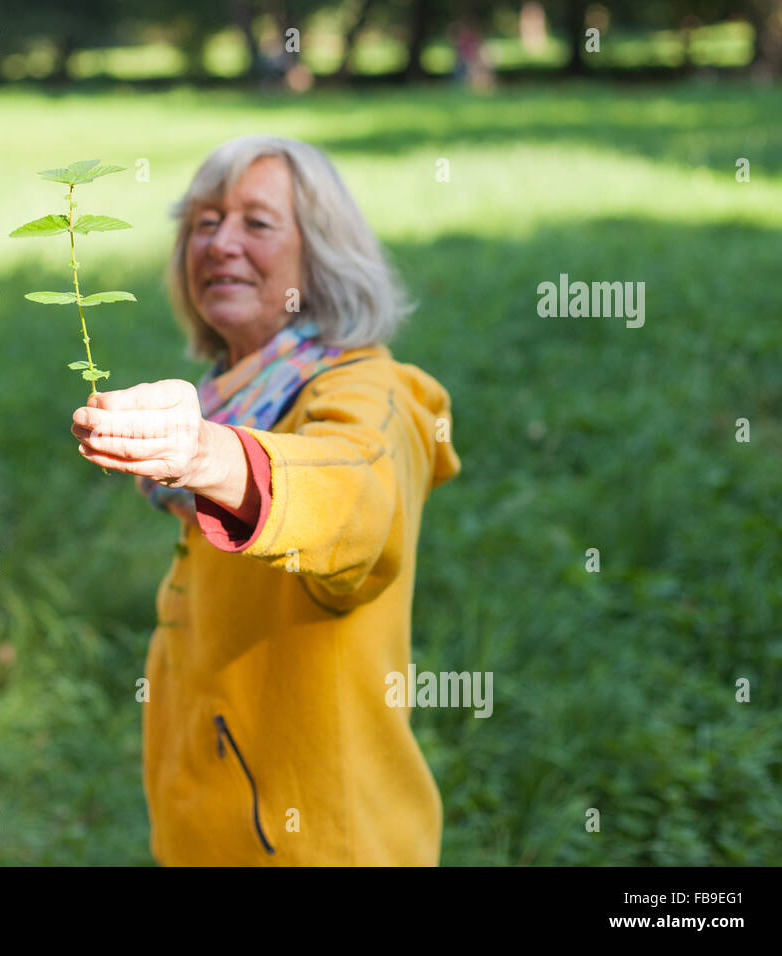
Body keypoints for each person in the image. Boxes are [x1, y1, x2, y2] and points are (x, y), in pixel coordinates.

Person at [70, 135, 461, 865]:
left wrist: (204, 454)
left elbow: (353, 505)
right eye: (203, 221)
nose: (219, 243)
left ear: (321, 254)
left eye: (257, 222)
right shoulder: (237, 396)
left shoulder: (371, 393)